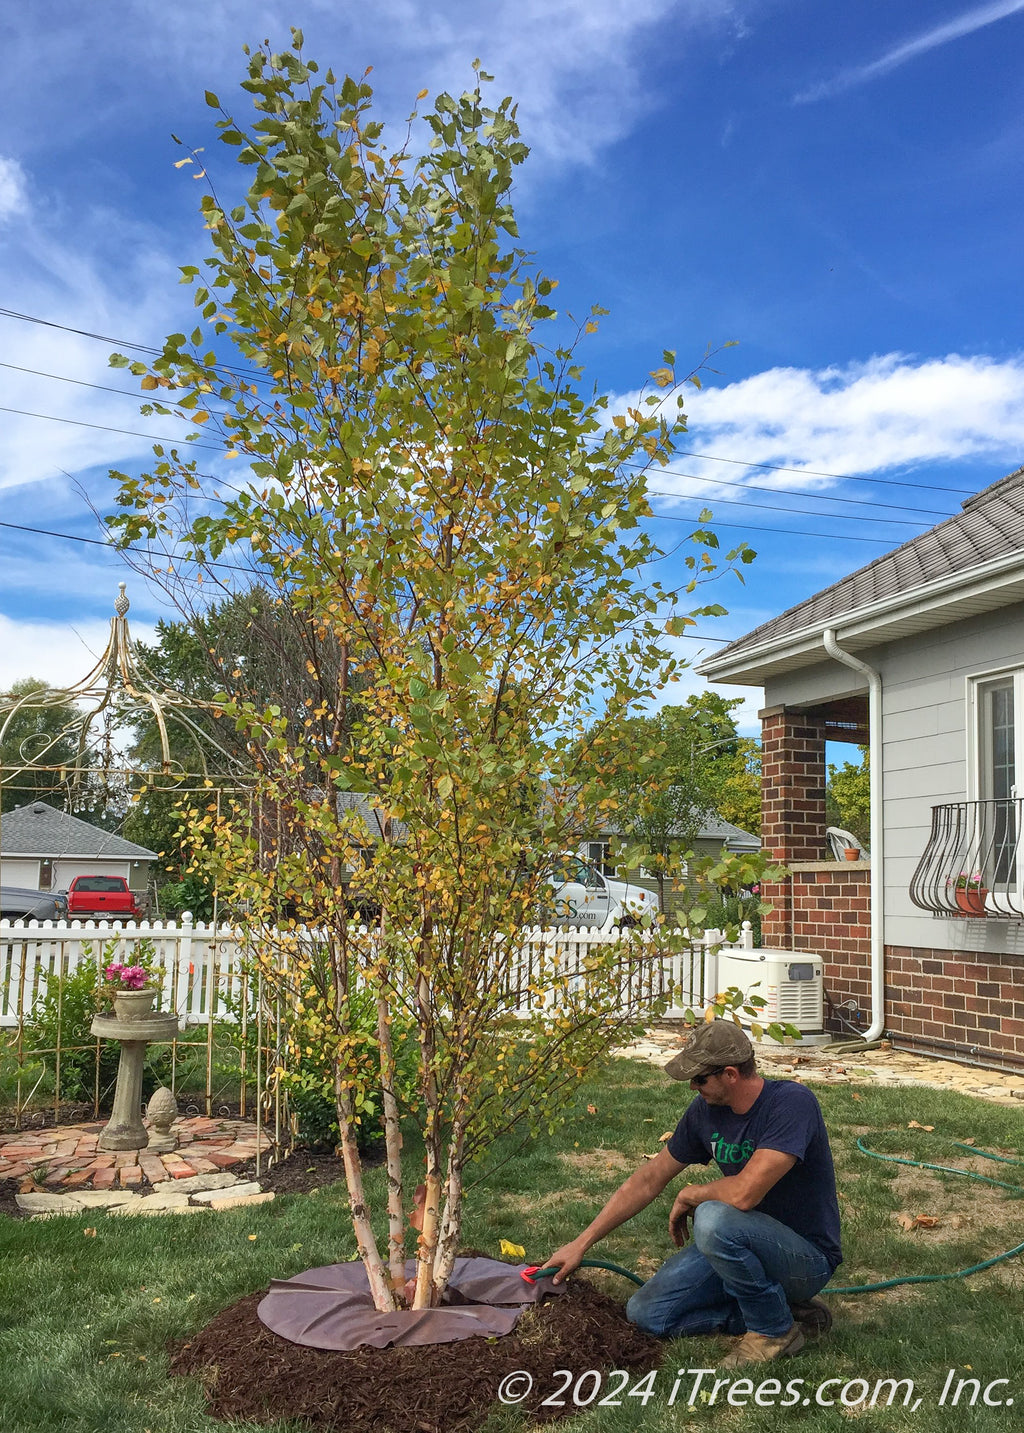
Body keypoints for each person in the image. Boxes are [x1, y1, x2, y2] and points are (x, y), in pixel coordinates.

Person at [543, 1020, 842, 1368]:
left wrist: (690, 1195)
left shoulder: (791, 1103)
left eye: (700, 1078)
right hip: (740, 1244)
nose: (692, 1087)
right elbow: (648, 1179)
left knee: (712, 1217)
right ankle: (787, 1312)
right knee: (646, 1314)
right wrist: (581, 1244)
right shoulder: (705, 1112)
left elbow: (745, 1193)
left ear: (730, 1074)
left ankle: (772, 1330)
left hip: (805, 1259)